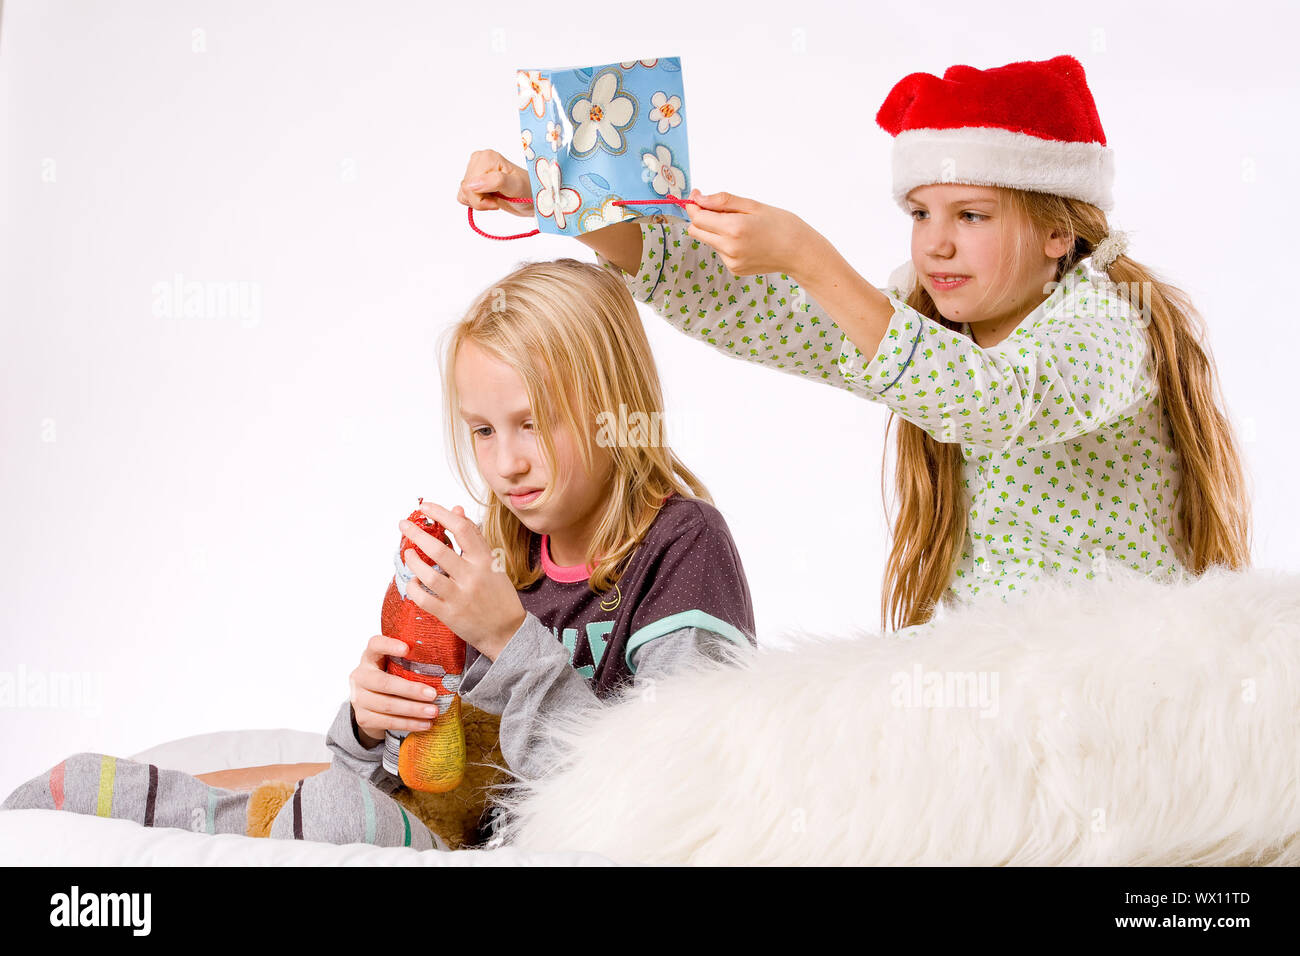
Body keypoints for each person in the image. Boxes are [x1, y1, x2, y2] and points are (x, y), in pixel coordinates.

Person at [457, 53, 1252, 635]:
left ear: (1056, 230)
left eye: (970, 216)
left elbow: (989, 400)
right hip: (992, 671)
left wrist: (810, 254)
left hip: (1117, 667)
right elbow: (765, 311)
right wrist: (567, 201)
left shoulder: (1107, 324)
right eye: (920, 214)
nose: (936, 245)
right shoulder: (933, 322)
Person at [3, 257, 756, 850]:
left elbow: (666, 793)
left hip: (519, 843)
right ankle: (100, 813)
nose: (506, 464)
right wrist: (374, 723)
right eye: (484, 431)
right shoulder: (503, 557)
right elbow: (426, 772)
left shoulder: (682, 546)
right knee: (315, 793)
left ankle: (175, 816)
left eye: (534, 423)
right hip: (440, 824)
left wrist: (506, 638)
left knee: (323, 814)